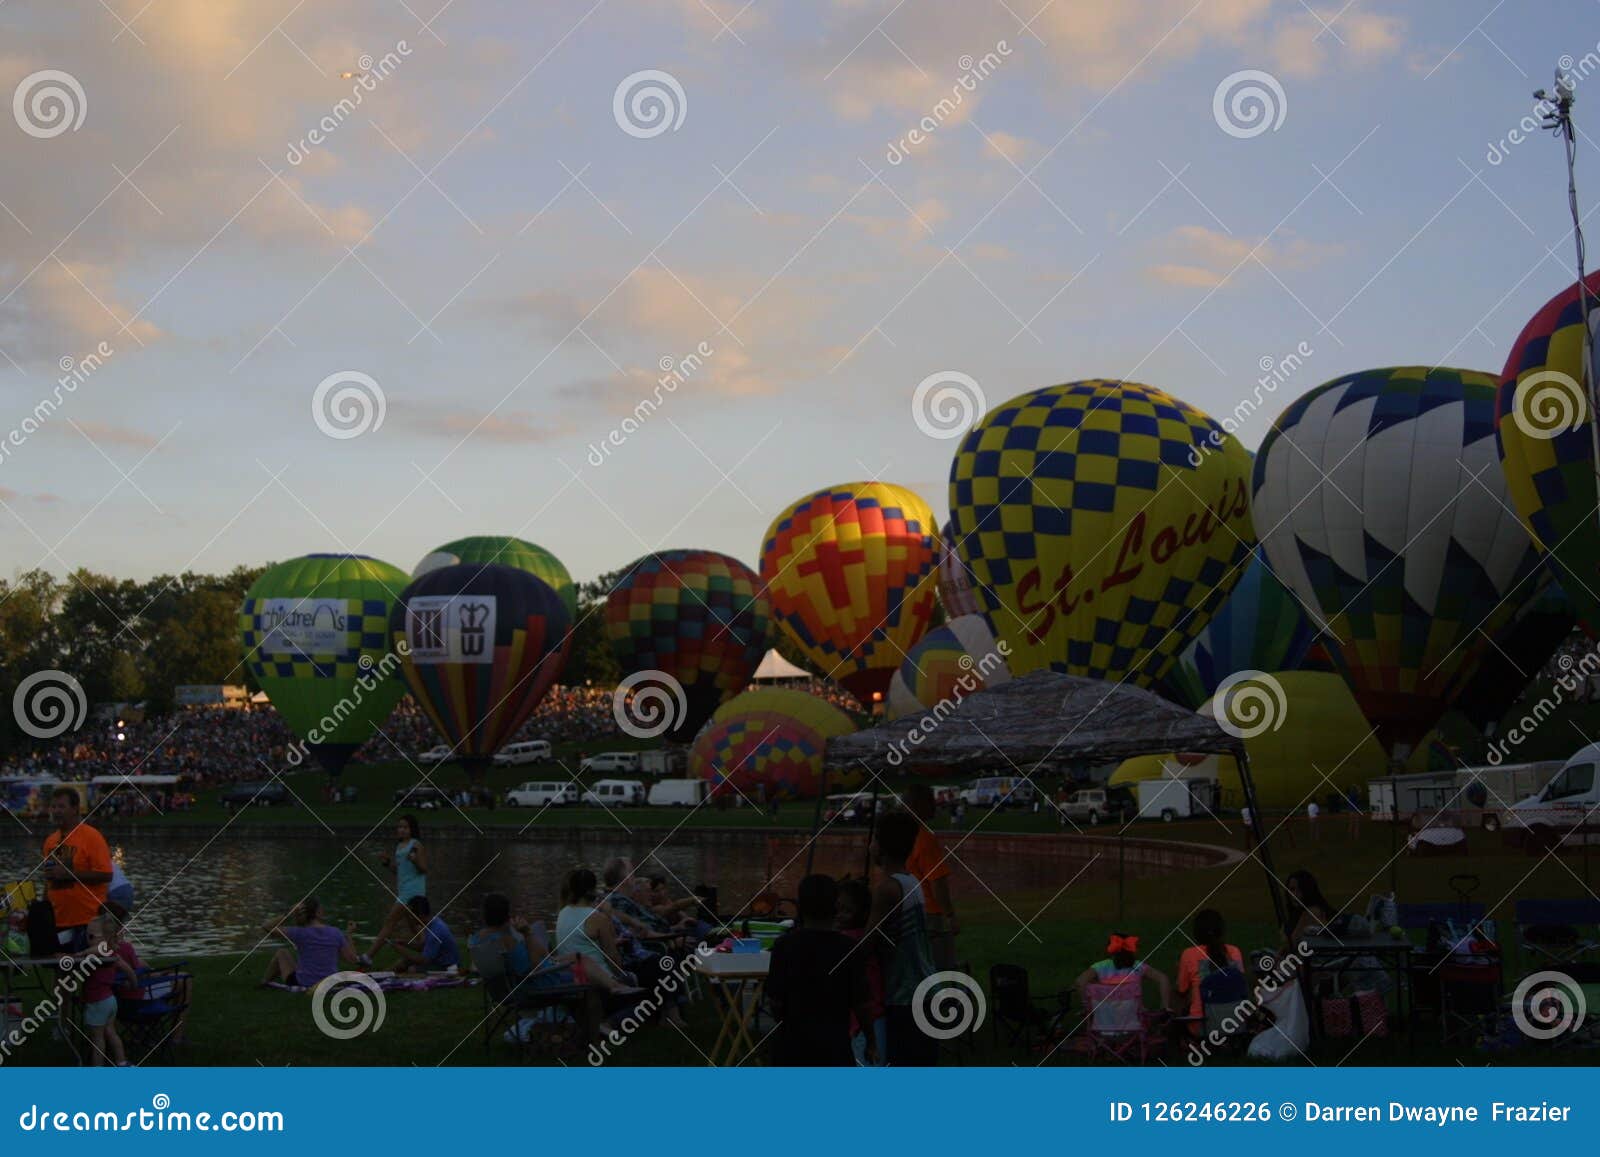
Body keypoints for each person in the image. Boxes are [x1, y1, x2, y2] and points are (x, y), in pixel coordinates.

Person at [766, 874, 875, 1066]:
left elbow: (775, 1001)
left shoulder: (784, 946)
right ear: (834, 906)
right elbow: (862, 1004)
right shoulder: (849, 949)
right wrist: (871, 1040)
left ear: (800, 907)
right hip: (834, 1049)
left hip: (791, 1048)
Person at [867, 811, 937, 1065]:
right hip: (926, 990)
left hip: (905, 997)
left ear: (881, 847)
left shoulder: (887, 889)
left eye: (873, 839)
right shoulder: (912, 882)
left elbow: (865, 946)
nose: (870, 845)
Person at [41, 787, 113, 950]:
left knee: (89, 970)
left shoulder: (92, 836)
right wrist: (44, 907)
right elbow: (49, 879)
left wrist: (69, 874)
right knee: (61, 967)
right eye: (53, 807)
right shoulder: (50, 841)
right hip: (59, 919)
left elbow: (106, 875)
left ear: (74, 809)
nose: (56, 811)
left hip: (88, 919)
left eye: (61, 807)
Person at [903, 785, 958, 969]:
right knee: (940, 969)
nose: (935, 805)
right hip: (930, 917)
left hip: (906, 913)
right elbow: (937, 882)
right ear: (917, 805)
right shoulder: (925, 839)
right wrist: (950, 915)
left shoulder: (898, 837)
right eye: (930, 802)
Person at [79, 907, 139, 1066]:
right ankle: (122, 1062)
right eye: (87, 934)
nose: (87, 938)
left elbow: (94, 950)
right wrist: (133, 984)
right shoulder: (113, 954)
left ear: (106, 937)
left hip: (98, 1001)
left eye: (91, 936)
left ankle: (97, 1067)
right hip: (110, 1000)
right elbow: (130, 971)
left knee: (97, 1038)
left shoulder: (101, 952)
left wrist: (78, 954)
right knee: (111, 1033)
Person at [837, 877, 885, 1065]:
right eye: (837, 908)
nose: (840, 915)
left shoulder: (851, 941)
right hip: (864, 1017)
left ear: (864, 914)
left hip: (870, 1017)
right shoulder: (858, 938)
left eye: (847, 910)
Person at [366, 815, 428, 962]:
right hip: (404, 889)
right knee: (414, 927)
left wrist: (416, 861)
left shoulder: (416, 845)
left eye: (405, 827)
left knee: (390, 921)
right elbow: (398, 871)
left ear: (412, 829)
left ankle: (368, 957)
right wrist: (387, 863)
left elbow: (423, 869)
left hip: (413, 890)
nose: (402, 830)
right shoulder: (399, 847)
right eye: (400, 827)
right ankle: (430, 953)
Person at [261, 896, 360, 988]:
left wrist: (288, 913)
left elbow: (267, 927)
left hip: (304, 983)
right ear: (318, 912)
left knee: (281, 953)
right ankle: (266, 983)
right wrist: (349, 935)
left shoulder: (299, 932)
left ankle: (265, 983)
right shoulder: (336, 932)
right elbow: (353, 959)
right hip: (330, 983)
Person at [1174, 909, 1245, 1031]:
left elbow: (1181, 989)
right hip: (1235, 1023)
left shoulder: (1189, 954)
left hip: (1202, 1025)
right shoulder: (1235, 952)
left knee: (1177, 992)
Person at [1074, 932, 1172, 1015]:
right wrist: (1165, 1006)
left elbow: (1080, 982)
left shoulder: (1100, 966)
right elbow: (1163, 979)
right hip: (1134, 1022)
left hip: (1103, 1022)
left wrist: (1087, 1006)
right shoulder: (1138, 966)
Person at [393, 895, 459, 973]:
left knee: (412, 969)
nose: (409, 918)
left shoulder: (436, 931)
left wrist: (400, 949)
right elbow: (424, 947)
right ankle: (383, 975)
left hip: (447, 967)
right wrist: (403, 943)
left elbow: (423, 960)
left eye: (410, 915)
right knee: (402, 963)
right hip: (436, 960)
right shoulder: (432, 922)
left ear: (420, 915)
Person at [1285, 869, 1334, 941]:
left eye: (1300, 889)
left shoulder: (1311, 913)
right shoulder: (1298, 913)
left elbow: (1291, 945)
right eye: (1292, 889)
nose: (1294, 895)